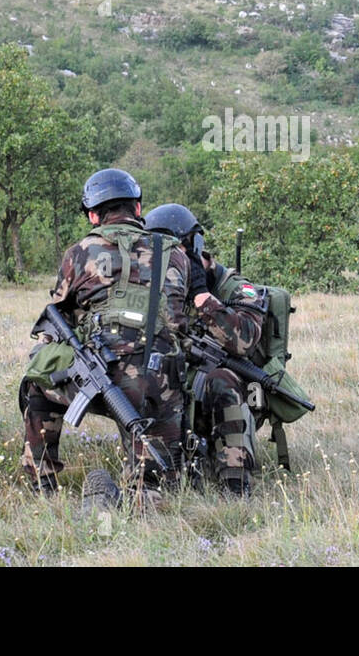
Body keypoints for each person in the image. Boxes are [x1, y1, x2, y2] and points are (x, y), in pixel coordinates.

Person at [20, 169, 190, 498]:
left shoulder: (81, 252)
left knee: (37, 386)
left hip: (104, 373)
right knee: (154, 487)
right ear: (138, 210)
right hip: (161, 382)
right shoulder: (176, 253)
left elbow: (60, 313)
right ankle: (146, 486)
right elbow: (181, 322)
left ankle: (42, 483)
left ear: (94, 215)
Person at [144, 203, 262, 497]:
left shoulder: (233, 286)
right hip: (172, 380)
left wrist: (201, 296)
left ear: (194, 247)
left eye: (176, 251)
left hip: (221, 384)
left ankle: (235, 482)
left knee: (222, 380)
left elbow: (243, 340)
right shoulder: (155, 283)